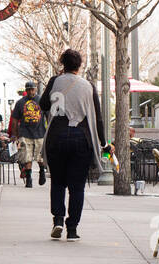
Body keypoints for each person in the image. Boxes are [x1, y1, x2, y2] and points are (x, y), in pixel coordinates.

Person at [39, 49, 110, 241]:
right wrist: (104, 143)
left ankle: (58, 220)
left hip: (57, 136)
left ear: (63, 63)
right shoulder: (88, 86)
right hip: (81, 138)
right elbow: (98, 118)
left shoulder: (55, 81)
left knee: (58, 182)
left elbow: (44, 105)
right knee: (77, 187)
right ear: (79, 65)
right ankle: (72, 229)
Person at [9, 81, 47, 187]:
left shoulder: (42, 101)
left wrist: (49, 132)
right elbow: (15, 120)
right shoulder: (20, 103)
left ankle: (42, 171)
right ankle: (29, 178)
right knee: (27, 157)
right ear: (26, 90)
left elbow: (48, 116)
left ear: (36, 89)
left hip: (40, 133)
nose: (31, 91)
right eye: (29, 89)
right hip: (25, 134)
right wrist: (15, 135)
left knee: (40, 158)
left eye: (32, 89)